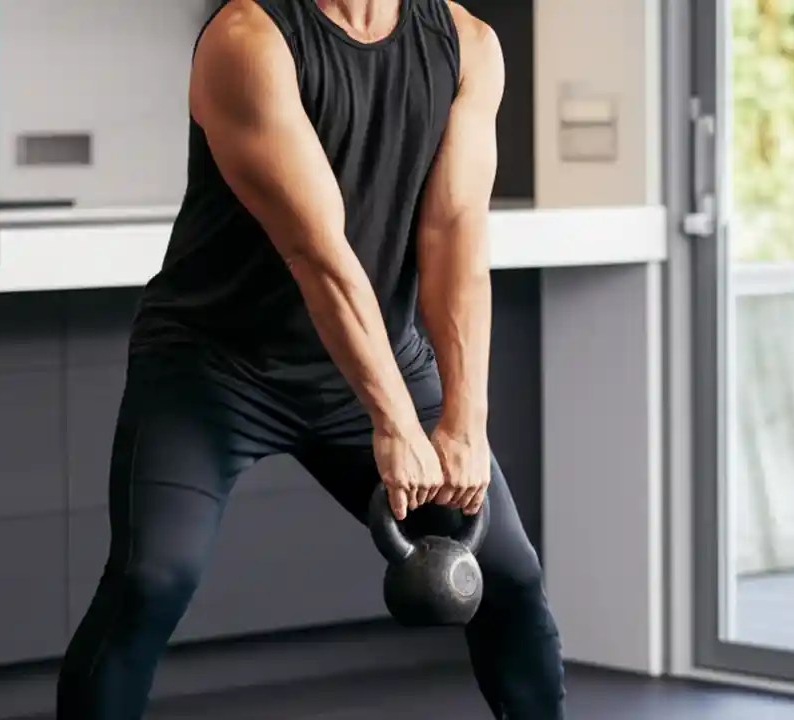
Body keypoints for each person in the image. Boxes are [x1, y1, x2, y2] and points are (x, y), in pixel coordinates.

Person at [56, 0, 565, 717]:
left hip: (379, 352)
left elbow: (455, 235)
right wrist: (393, 421)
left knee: (507, 579)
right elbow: (321, 256)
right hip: (216, 367)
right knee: (152, 578)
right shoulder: (248, 41)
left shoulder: (469, 46)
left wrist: (465, 420)